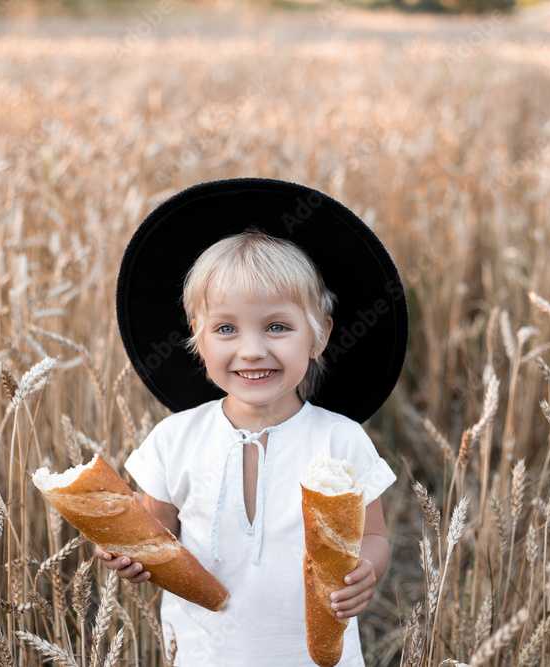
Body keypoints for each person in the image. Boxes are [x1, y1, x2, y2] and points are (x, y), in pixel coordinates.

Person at [101, 178, 408, 666]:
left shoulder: (340, 440)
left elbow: (372, 536)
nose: (251, 350)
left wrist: (365, 570)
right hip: (205, 655)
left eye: (277, 326)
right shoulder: (174, 440)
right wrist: (131, 556)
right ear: (197, 338)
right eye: (225, 328)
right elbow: (156, 535)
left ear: (320, 334)